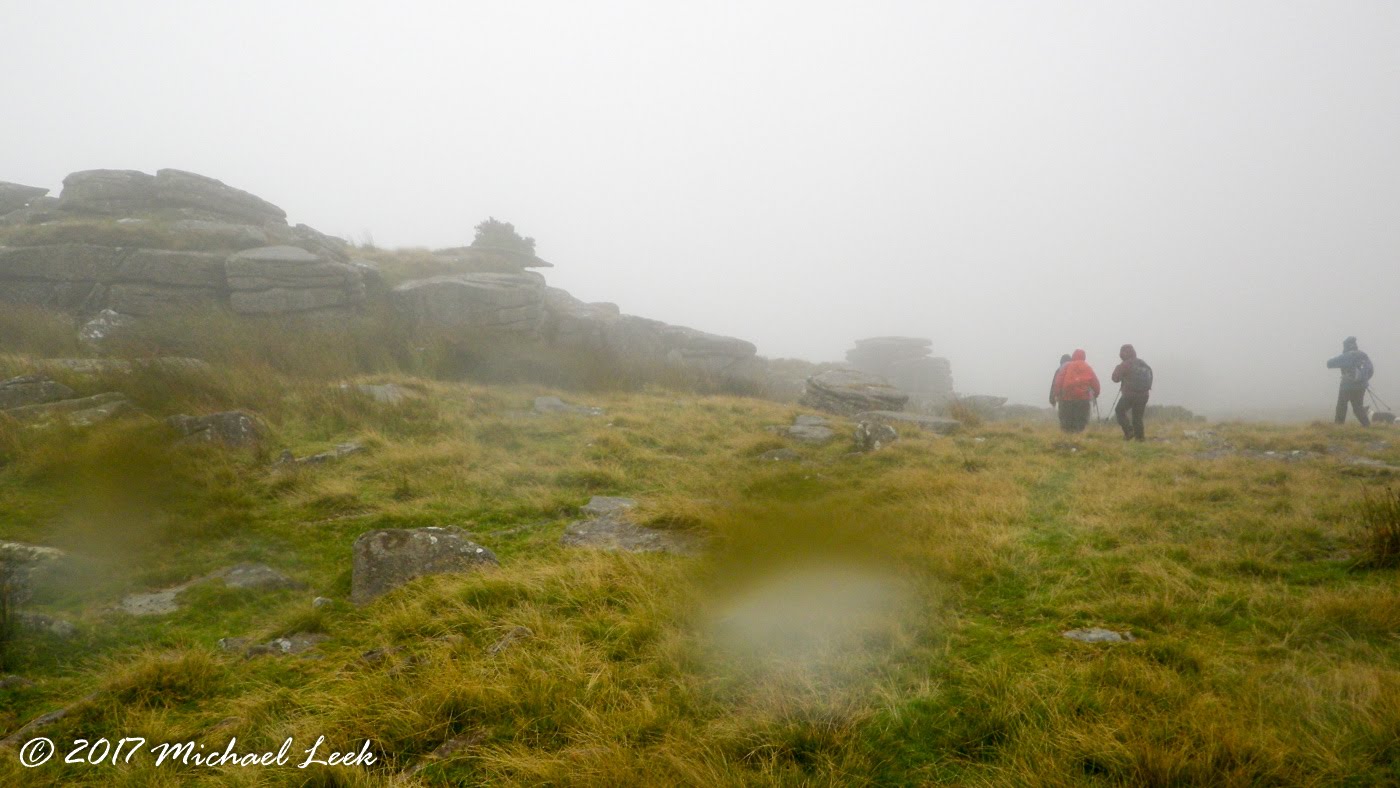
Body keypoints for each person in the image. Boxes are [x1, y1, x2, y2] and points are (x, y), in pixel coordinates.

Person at [1049, 349, 1099, 432]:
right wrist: (1096, 393)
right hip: (1083, 399)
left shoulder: (1067, 366)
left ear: (1073, 356)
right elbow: (1095, 382)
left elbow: (1059, 380)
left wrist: (1056, 393)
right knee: (1080, 423)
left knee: (1066, 423)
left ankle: (1066, 441)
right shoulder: (1087, 367)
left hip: (1067, 398)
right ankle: (1078, 440)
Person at [1327, 336, 1372, 426]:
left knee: (1342, 406)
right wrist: (1362, 380)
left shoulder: (1347, 355)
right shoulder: (1363, 355)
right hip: (1361, 387)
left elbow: (1329, 364)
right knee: (1358, 407)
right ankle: (1367, 425)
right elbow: (1371, 370)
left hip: (1347, 386)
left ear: (1346, 346)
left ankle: (1339, 426)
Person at [1111, 344, 1152, 441]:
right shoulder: (1143, 363)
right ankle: (1140, 438)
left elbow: (1115, 378)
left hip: (1129, 394)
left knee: (1119, 411)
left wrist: (1120, 369)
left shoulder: (1125, 364)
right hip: (1144, 394)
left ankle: (1129, 431)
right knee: (1137, 417)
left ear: (1123, 354)